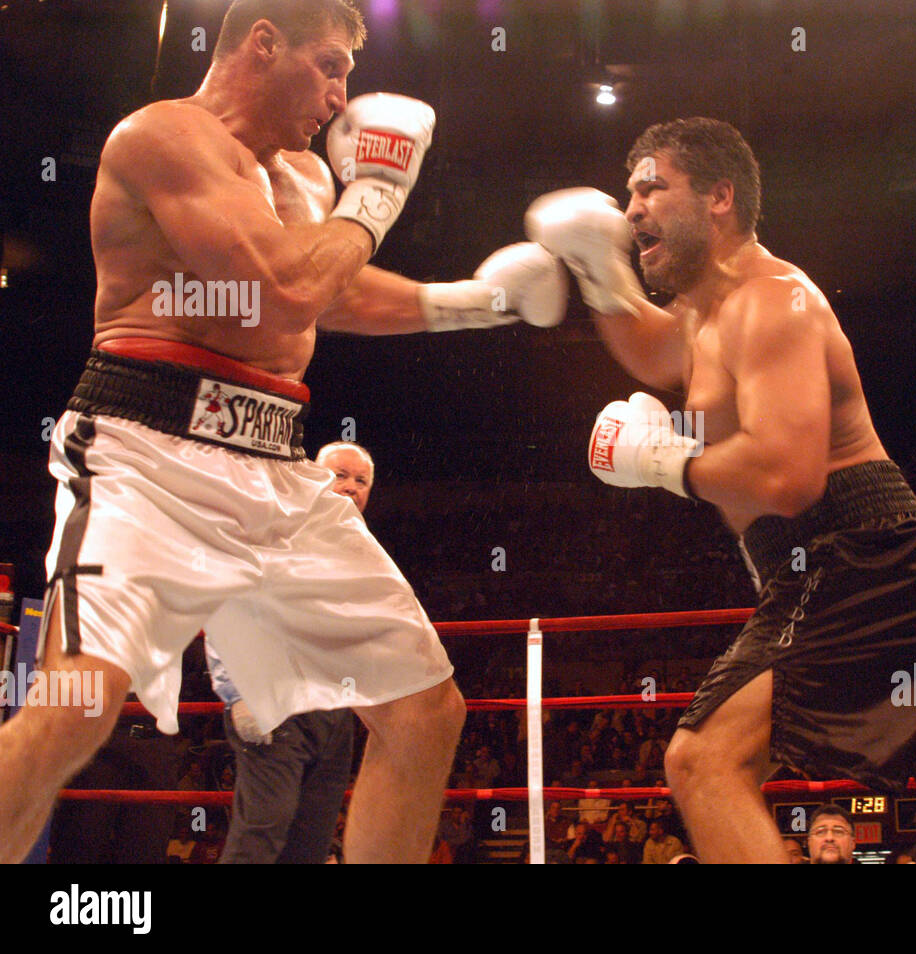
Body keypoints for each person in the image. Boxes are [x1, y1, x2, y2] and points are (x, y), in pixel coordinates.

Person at [0, 0, 567, 864]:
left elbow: (328, 290)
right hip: (146, 453)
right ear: (263, 42)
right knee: (74, 705)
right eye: (332, 65)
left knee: (423, 712)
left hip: (275, 463)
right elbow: (275, 291)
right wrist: (377, 196)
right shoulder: (161, 138)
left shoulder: (303, 179)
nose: (343, 97)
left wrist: (478, 302)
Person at [525, 116, 916, 864]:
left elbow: (787, 476)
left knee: (703, 762)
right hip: (867, 559)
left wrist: (662, 463)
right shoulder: (705, 308)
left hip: (853, 553)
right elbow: (654, 347)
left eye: (652, 188)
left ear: (720, 197)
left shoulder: (773, 301)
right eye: (629, 194)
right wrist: (600, 274)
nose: (630, 209)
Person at [206, 441, 376, 863]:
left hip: (334, 715)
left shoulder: (362, 553)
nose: (352, 487)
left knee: (310, 842)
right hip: (273, 702)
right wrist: (237, 694)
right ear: (311, 478)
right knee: (262, 833)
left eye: (362, 481)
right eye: (340, 475)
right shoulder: (273, 531)